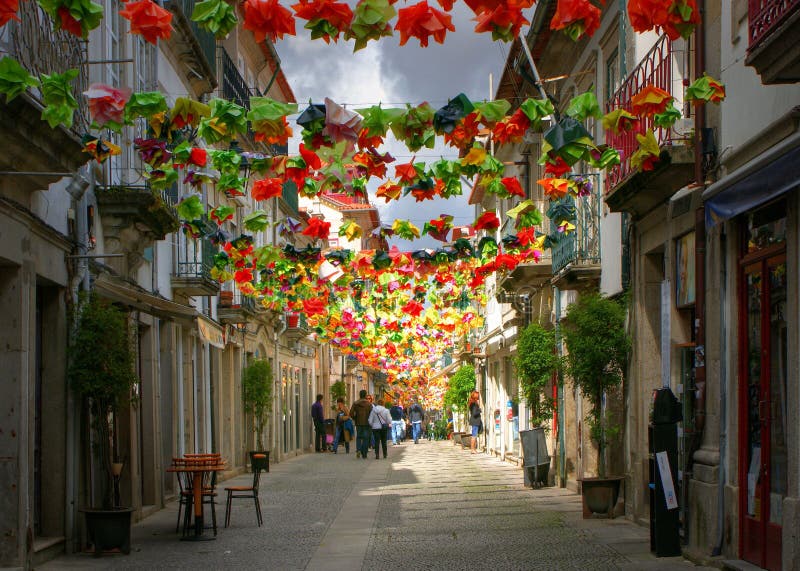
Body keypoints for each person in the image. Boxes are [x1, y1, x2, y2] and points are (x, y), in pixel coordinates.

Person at [349, 389, 373, 459]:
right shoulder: (369, 404)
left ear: (359, 395)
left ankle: (358, 450)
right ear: (365, 395)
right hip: (366, 423)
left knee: (359, 437)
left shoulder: (356, 403)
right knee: (366, 438)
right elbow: (372, 414)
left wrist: (355, 418)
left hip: (358, 423)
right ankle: (364, 453)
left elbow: (351, 413)